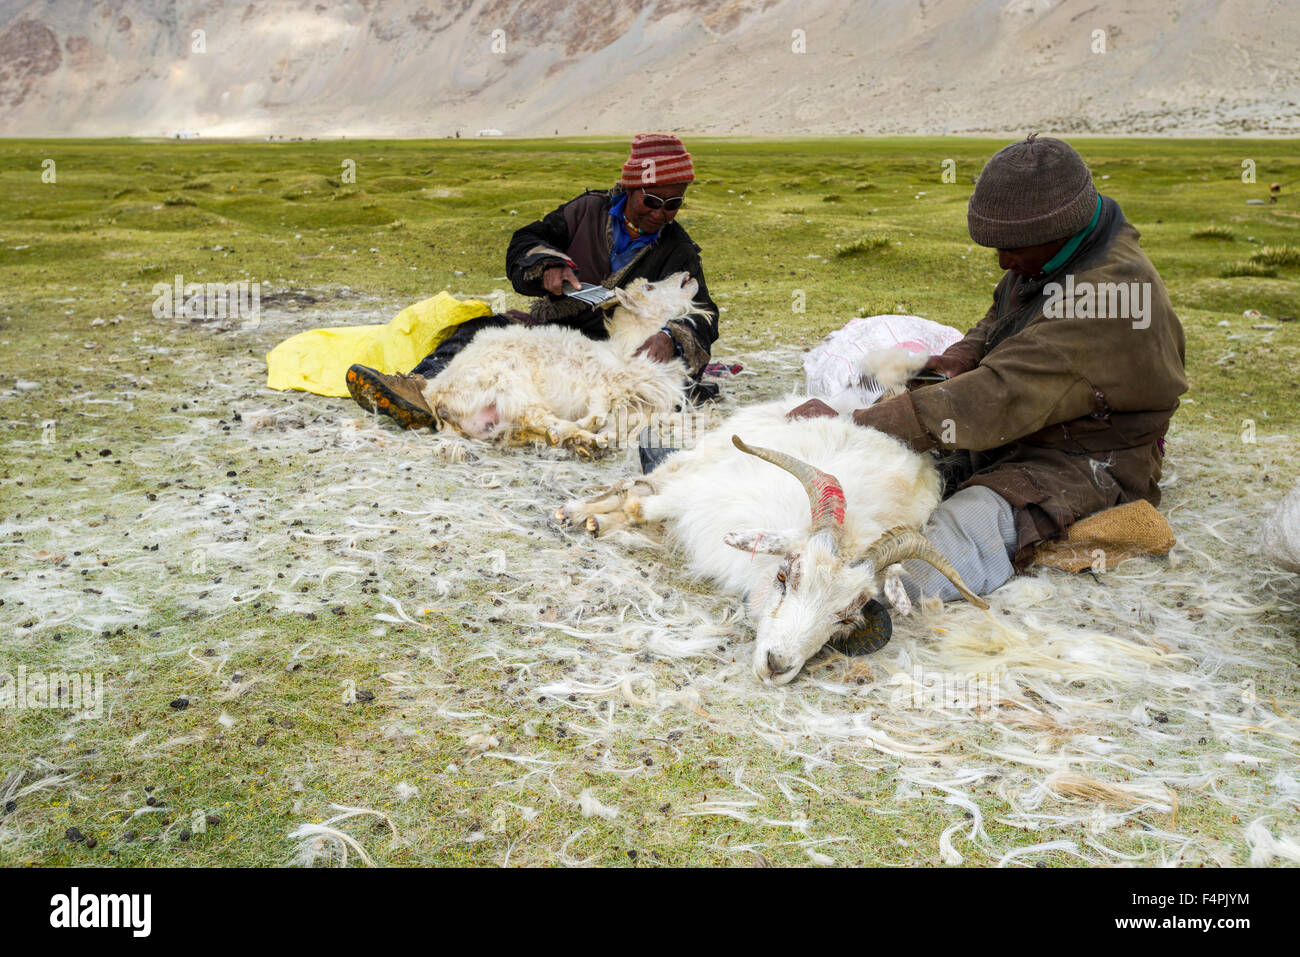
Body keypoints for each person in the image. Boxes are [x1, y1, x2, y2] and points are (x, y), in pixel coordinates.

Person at [788, 134, 1188, 604]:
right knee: (896, 474)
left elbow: (997, 397)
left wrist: (849, 424)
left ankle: (864, 599)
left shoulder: (1107, 299)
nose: (1003, 261)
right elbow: (1003, 315)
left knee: (977, 515)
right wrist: (963, 354)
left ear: (1059, 230)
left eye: (1013, 248)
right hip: (1031, 421)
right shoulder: (1058, 253)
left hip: (1086, 454)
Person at [345, 133, 719, 429]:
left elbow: (705, 316)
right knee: (480, 331)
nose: (662, 214)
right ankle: (419, 388)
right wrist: (548, 266)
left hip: (609, 352)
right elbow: (526, 240)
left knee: (657, 391)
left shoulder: (678, 249)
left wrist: (670, 337)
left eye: (673, 204)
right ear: (631, 187)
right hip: (551, 328)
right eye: (652, 201)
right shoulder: (586, 211)